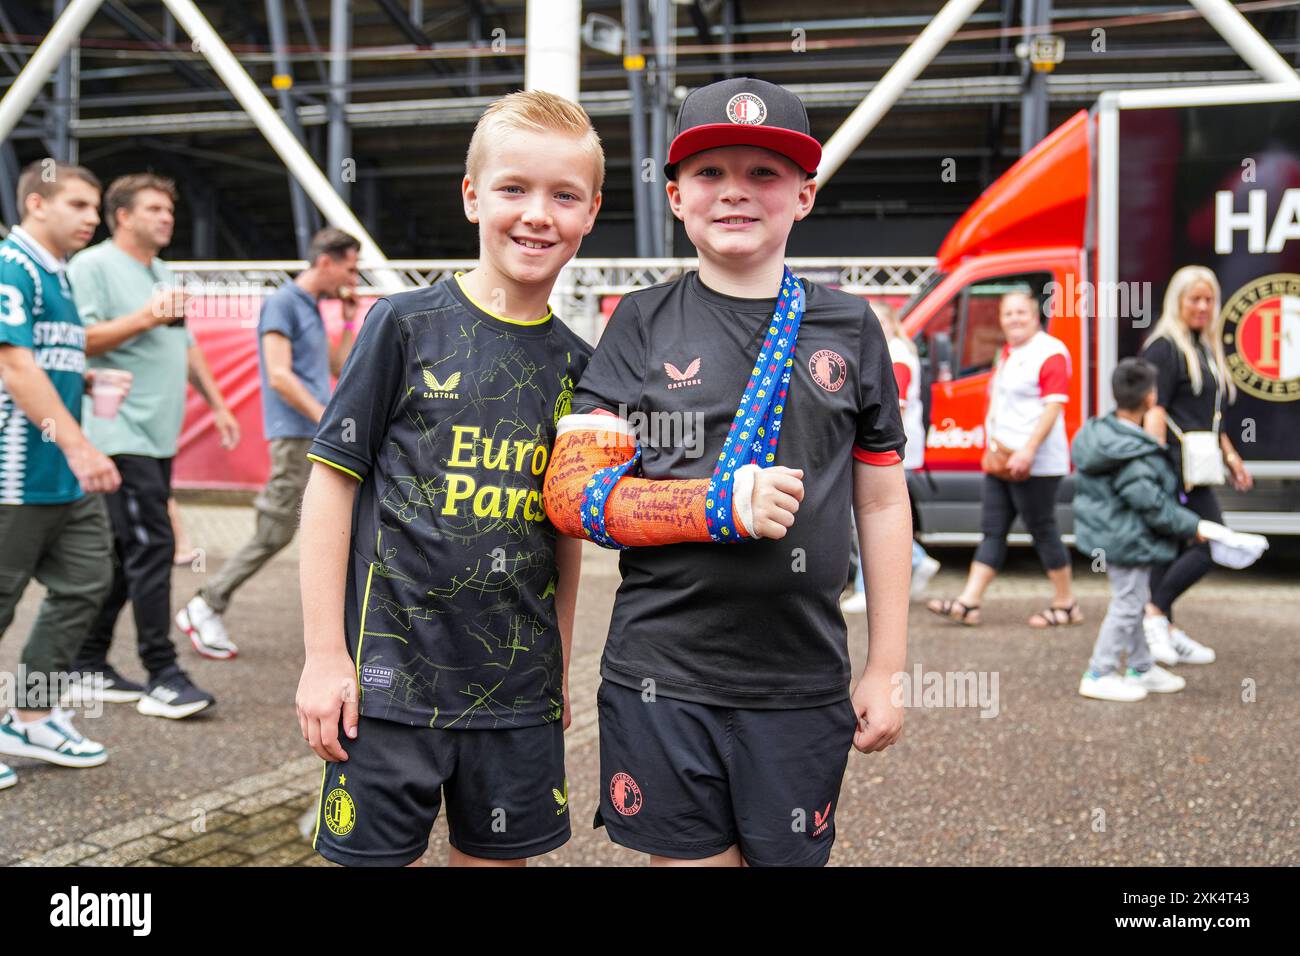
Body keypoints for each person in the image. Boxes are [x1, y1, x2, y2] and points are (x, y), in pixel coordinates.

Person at [543, 76, 912, 867]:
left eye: (764, 174)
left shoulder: (851, 326)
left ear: (804, 196)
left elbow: (881, 504)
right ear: (675, 196)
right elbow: (572, 497)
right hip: (662, 677)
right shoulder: (636, 321)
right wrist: (715, 505)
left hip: (801, 683)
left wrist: (886, 667)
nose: (735, 193)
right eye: (710, 173)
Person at [296, 90, 602, 867]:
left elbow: (562, 527)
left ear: (592, 211)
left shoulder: (580, 367)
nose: (538, 214)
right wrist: (324, 656)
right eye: (514, 188)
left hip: (515, 700)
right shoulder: (402, 326)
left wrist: (559, 664)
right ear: (472, 196)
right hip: (386, 694)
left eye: (564, 195)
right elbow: (331, 487)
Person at [67, 174, 237, 719]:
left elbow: (185, 346)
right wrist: (147, 315)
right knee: (154, 546)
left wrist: (218, 402)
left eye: (170, 209)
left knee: (125, 553)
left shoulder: (162, 272)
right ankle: (162, 672)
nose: (167, 218)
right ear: (123, 216)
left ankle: (87, 663)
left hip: (157, 436)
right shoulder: (91, 267)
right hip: (118, 433)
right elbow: (79, 340)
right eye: (155, 209)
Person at [176, 227, 358, 660]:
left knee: (343, 524)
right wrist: (326, 420)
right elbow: (278, 376)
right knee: (274, 531)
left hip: (312, 433)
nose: (352, 279)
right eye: (349, 268)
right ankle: (206, 603)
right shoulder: (282, 303)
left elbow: (339, 364)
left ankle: (355, 628)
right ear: (326, 261)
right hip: (299, 436)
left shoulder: (312, 307)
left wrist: (349, 318)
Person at [0, 161, 119, 788]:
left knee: (86, 581)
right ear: (37, 205)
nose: (91, 218)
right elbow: (15, 367)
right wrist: (80, 448)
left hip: (59, 475)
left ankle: (30, 713)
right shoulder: (10, 267)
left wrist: (89, 378)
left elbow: (43, 358)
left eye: (96, 207)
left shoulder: (60, 276)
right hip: (14, 473)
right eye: (78, 204)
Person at [927, 290, 1078, 628]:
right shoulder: (1009, 352)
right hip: (1002, 459)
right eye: (1008, 313)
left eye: (1021, 312)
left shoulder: (1050, 352)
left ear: (1035, 315)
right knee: (992, 530)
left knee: (1043, 530)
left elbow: (1054, 406)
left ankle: (1066, 603)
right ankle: (969, 602)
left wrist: (1028, 451)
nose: (1014, 319)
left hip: (1036, 464)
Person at [1073, 358, 1206, 702]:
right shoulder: (1134, 452)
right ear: (1150, 398)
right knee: (1128, 604)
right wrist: (1194, 526)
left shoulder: (1103, 434)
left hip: (1112, 535)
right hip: (1128, 538)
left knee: (1134, 599)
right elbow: (1152, 505)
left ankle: (1141, 667)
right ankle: (1099, 672)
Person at [1139, 266, 1249, 666]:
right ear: (1178, 301)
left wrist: (1233, 458)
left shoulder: (1205, 347)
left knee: (1171, 548)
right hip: (1170, 464)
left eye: (1208, 300)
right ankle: (1154, 616)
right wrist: (1151, 464)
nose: (1203, 307)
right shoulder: (1164, 348)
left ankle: (1161, 625)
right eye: (1195, 299)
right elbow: (1155, 410)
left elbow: (1210, 418)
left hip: (1198, 467)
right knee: (1211, 541)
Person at [842, 302, 939, 613]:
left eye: (880, 320)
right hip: (899, 449)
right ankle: (918, 560)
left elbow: (893, 406)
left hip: (889, 451)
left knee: (870, 515)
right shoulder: (897, 351)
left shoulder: (894, 355)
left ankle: (868, 590)